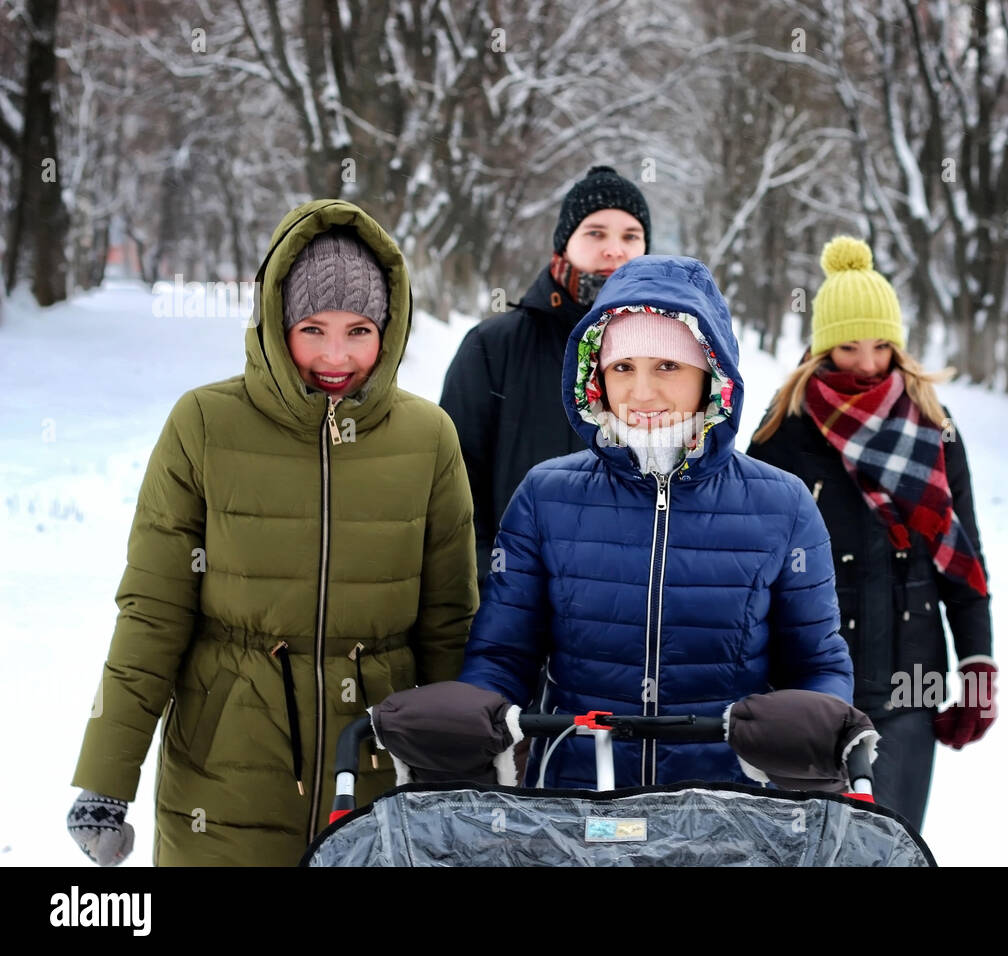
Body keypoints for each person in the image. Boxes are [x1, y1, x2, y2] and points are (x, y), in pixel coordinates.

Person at [67, 200, 477, 866]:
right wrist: (105, 781)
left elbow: (448, 626)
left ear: (391, 328)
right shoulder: (203, 425)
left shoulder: (428, 438)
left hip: (378, 775)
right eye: (312, 328)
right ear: (274, 323)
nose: (335, 355)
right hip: (223, 779)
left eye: (360, 329)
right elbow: (153, 610)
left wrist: (462, 780)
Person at [457, 254, 853, 789]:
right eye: (623, 367)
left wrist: (814, 723)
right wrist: (474, 718)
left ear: (711, 374)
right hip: (578, 800)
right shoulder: (545, 497)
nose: (641, 393)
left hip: (730, 805)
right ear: (597, 376)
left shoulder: (782, 505)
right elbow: (504, 653)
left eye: (667, 366)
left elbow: (817, 661)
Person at [747, 236, 997, 832]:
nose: (867, 363)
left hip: (912, 680)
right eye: (849, 346)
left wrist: (978, 662)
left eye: (882, 346)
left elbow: (962, 559)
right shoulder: (783, 432)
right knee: (813, 843)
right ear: (821, 347)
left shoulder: (934, 427)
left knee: (896, 840)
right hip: (810, 681)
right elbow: (753, 568)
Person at [440, 165, 651, 589]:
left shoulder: (673, 357)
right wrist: (496, 586)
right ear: (564, 244)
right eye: (596, 233)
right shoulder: (492, 346)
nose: (615, 249)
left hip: (630, 615)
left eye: (631, 236)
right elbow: (451, 491)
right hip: (517, 607)